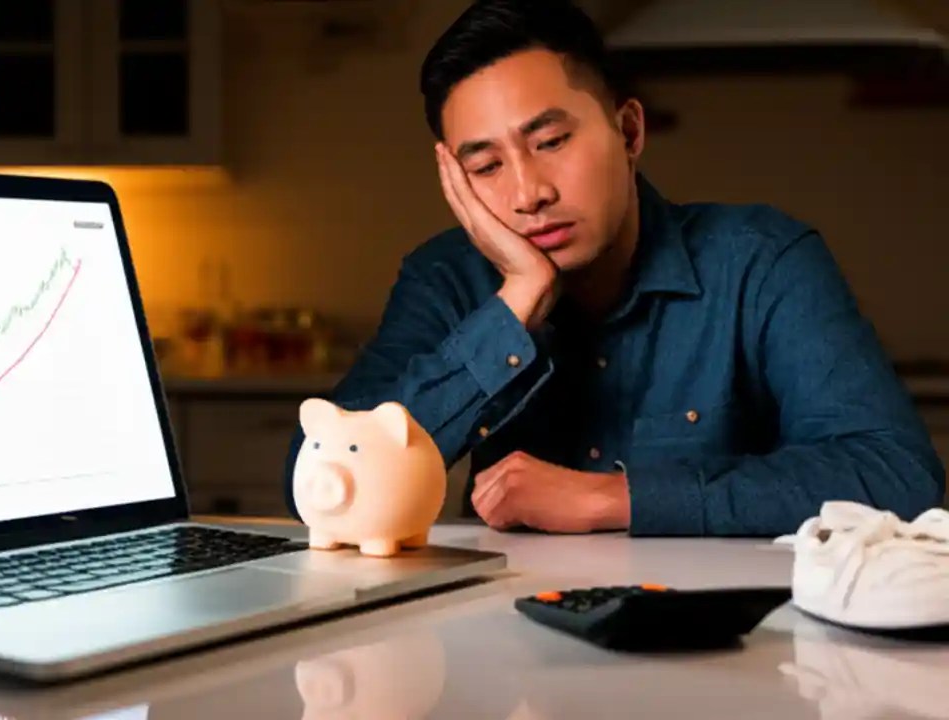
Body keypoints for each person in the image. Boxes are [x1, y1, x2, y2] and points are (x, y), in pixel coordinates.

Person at [281, 0, 945, 537]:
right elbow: (323, 487)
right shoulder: (445, 279)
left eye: (551, 143)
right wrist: (513, 306)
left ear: (628, 132)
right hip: (503, 661)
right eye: (486, 167)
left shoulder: (760, 260)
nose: (527, 193)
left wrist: (616, 499)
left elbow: (896, 477)